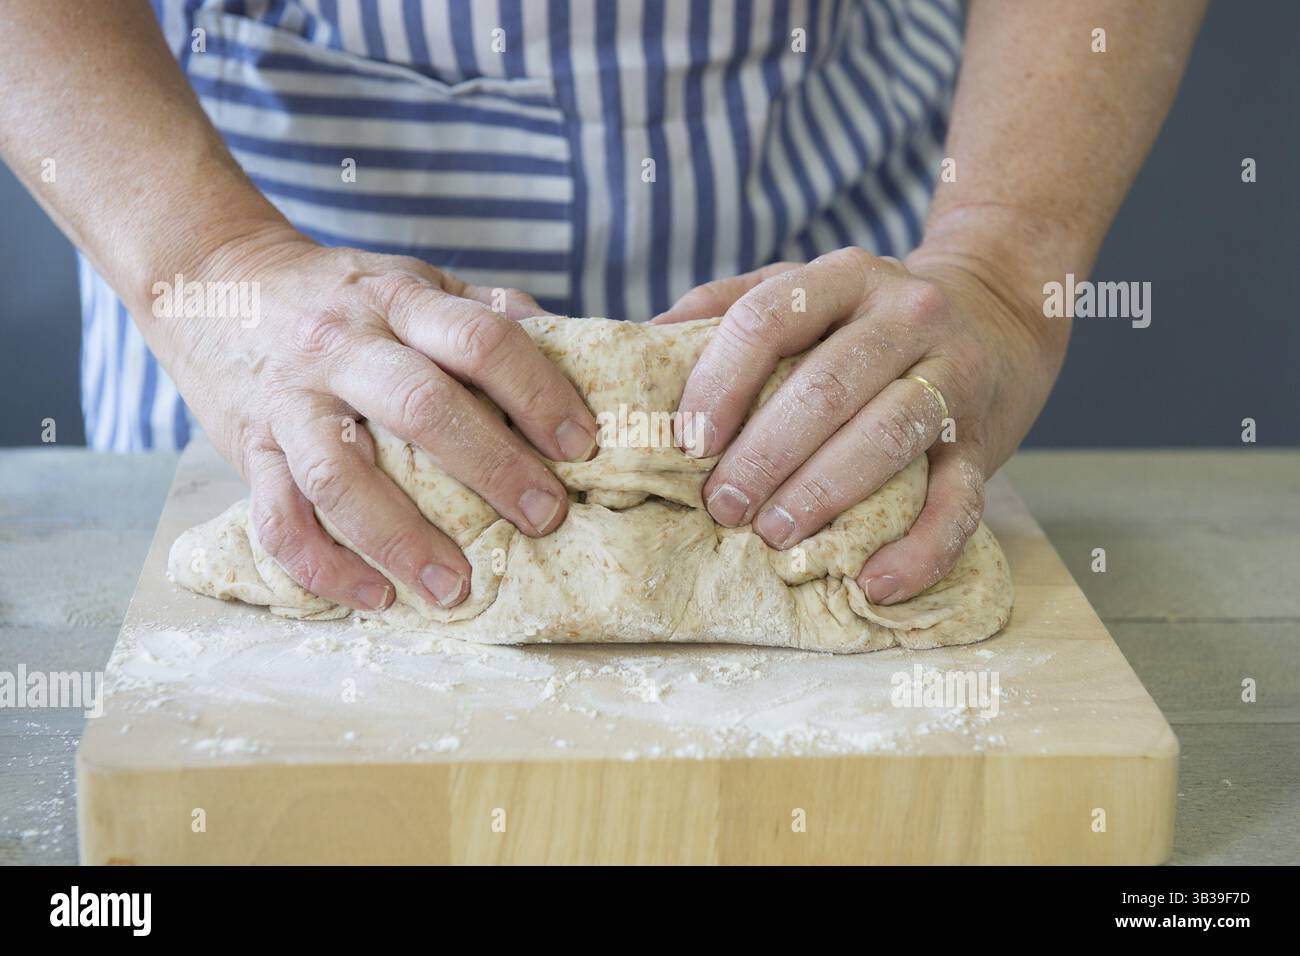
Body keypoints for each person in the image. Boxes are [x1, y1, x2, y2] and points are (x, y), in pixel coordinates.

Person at [0, 1, 1205, 616]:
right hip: (275, 283)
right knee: (301, 531)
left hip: (848, 263)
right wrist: (207, 257)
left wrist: (998, 259)